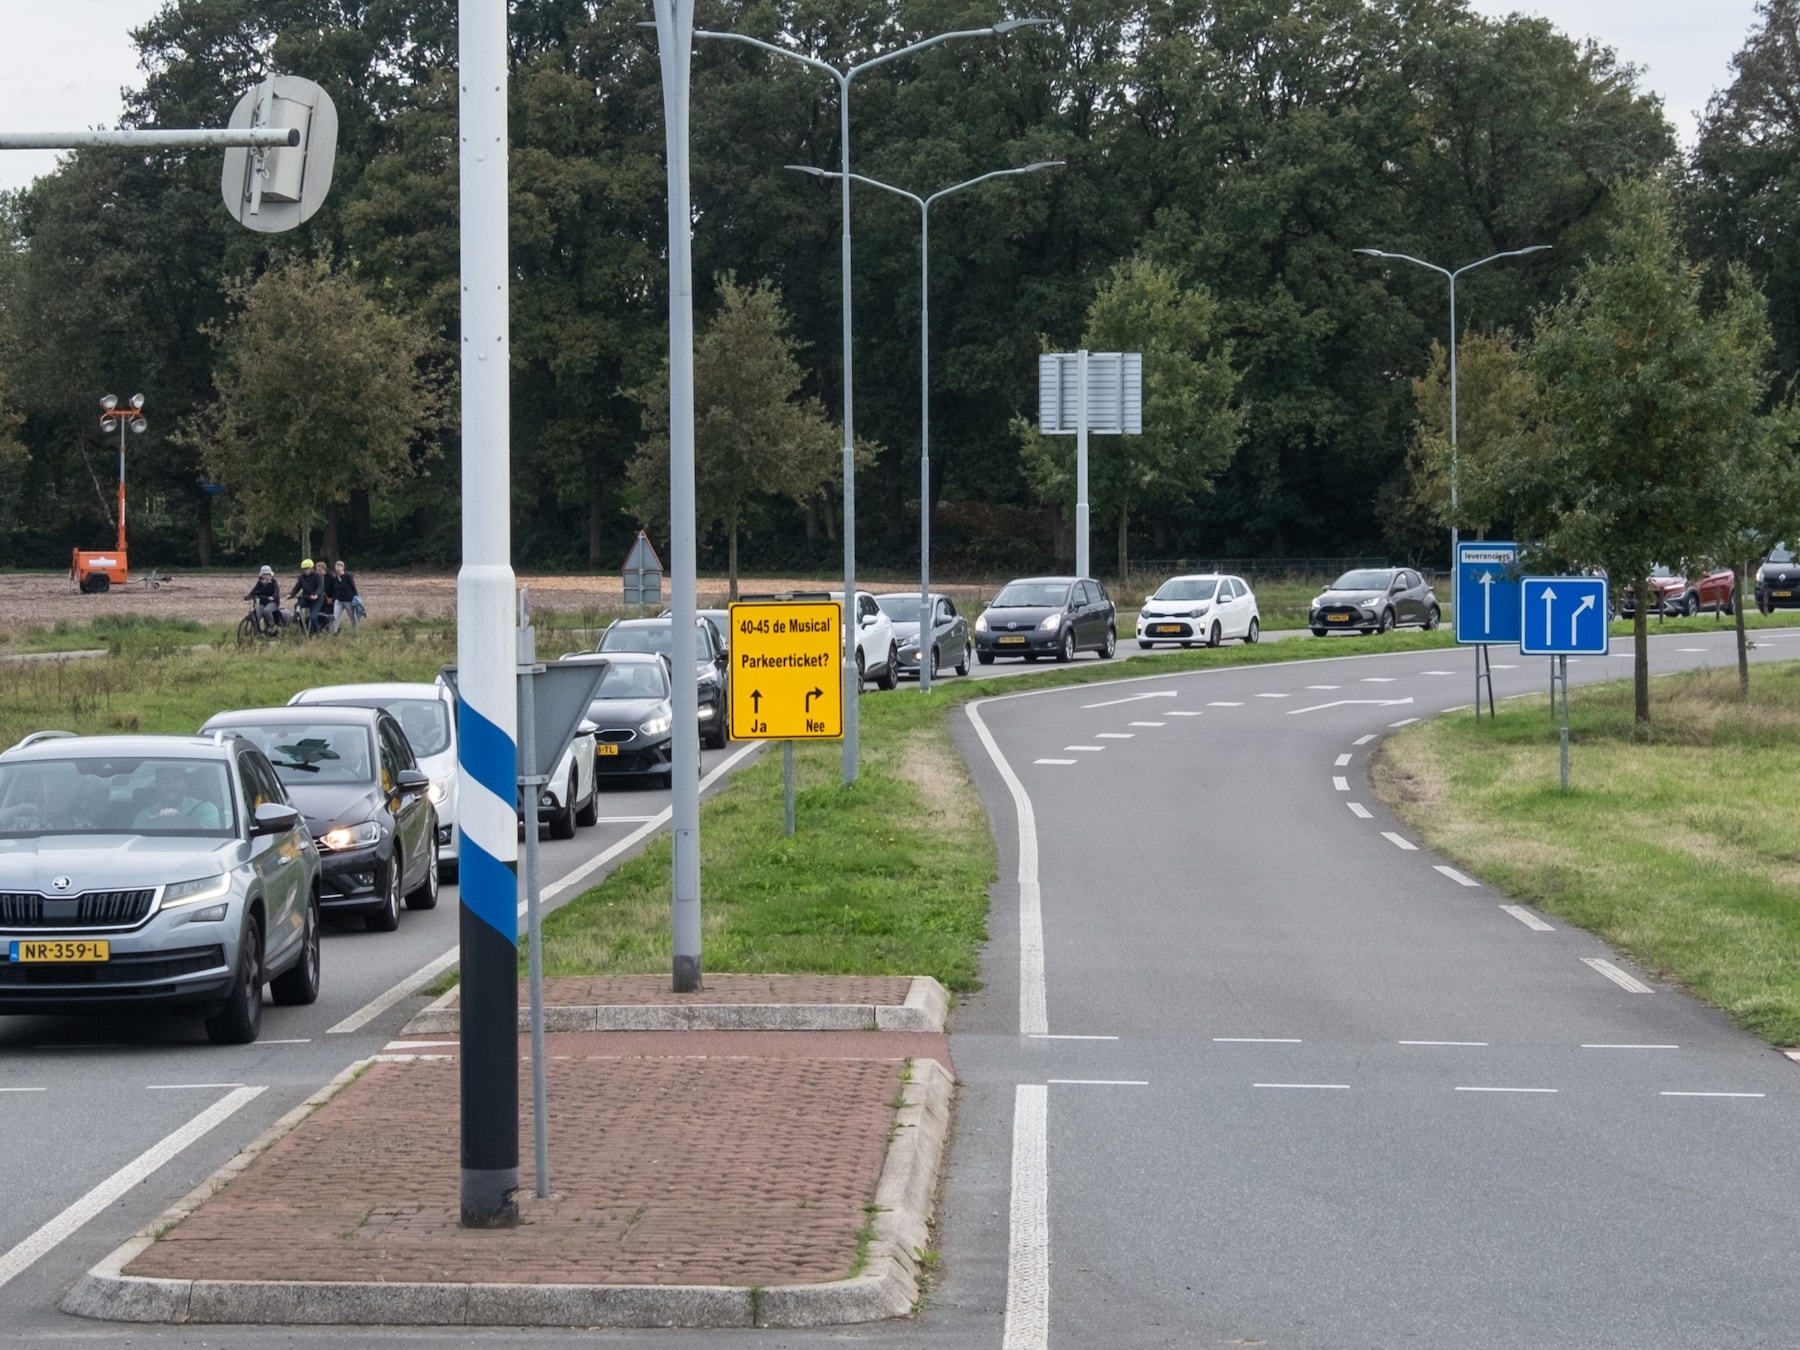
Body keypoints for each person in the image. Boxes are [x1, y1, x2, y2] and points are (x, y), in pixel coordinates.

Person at [132, 764, 221, 830]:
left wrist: (180, 820)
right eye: (164, 780)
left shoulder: (204, 808)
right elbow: (134, 839)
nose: (170, 785)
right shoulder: (145, 815)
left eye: (176, 779)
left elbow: (211, 834)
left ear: (184, 782)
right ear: (157, 784)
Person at [0, 773, 95, 831]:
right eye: (50, 795)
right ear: (43, 795)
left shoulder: (87, 828)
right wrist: (23, 808)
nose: (54, 800)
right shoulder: (27, 825)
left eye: (60, 795)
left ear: (71, 797)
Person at [289, 559, 324, 634]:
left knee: (313, 617)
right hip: (306, 598)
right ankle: (301, 624)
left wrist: (316, 594)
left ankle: (317, 632)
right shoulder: (301, 577)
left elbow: (320, 587)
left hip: (317, 600)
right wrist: (291, 594)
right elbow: (297, 587)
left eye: (307, 569)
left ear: (311, 568)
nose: (305, 571)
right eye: (304, 569)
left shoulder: (318, 576)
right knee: (297, 606)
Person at [244, 564, 281, 633]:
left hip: (273, 603)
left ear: (270, 574)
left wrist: (273, 597)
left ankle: (272, 625)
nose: (265, 576)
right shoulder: (260, 582)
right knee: (257, 612)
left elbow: (276, 591)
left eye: (267, 574)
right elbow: (254, 590)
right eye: (264, 574)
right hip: (263, 602)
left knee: (266, 611)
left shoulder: (273, 582)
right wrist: (249, 596)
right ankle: (256, 629)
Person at [329, 559, 362, 633]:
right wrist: (333, 598)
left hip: (348, 600)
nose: (338, 568)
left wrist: (356, 597)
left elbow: (353, 587)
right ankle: (334, 633)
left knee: (352, 617)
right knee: (335, 617)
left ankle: (354, 632)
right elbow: (335, 590)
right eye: (336, 566)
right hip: (339, 600)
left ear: (343, 567)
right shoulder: (335, 578)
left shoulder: (348, 576)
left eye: (339, 566)